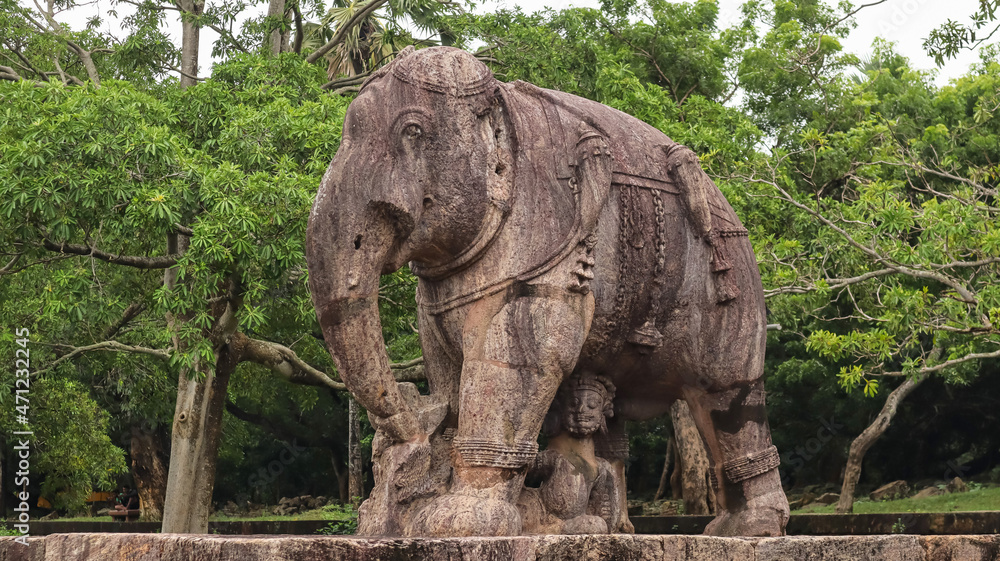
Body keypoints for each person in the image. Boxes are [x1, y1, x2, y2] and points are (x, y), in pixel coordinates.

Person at [517, 372, 622, 534]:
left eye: (592, 404)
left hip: (581, 524)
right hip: (542, 518)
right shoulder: (553, 458)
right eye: (573, 403)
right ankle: (555, 528)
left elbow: (607, 518)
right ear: (562, 411)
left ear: (603, 413)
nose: (581, 409)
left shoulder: (603, 468)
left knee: (596, 525)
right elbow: (520, 470)